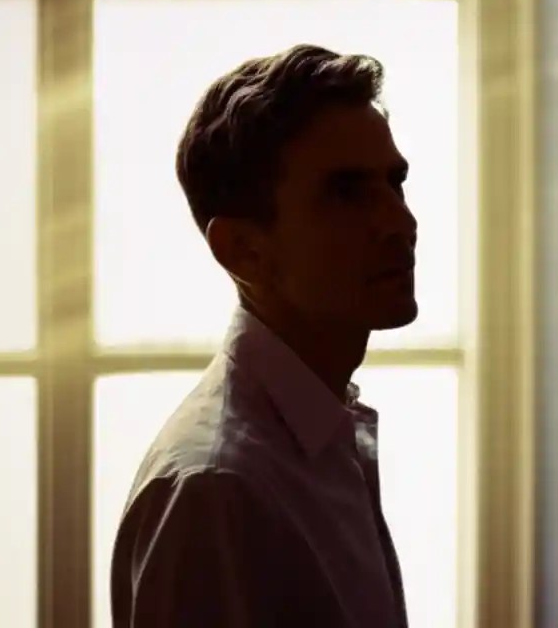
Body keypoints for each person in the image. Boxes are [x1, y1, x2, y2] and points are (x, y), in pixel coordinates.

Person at [109, 44, 417, 627]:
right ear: (243, 249)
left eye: (395, 183)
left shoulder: (317, 438)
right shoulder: (216, 491)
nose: (401, 222)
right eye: (347, 193)